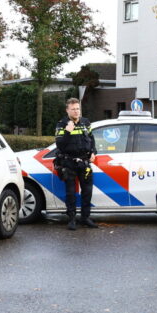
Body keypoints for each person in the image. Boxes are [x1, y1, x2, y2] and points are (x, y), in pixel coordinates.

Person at [55, 98, 97, 229]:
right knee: (71, 193)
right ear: (67, 110)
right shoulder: (62, 124)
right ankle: (72, 219)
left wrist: (93, 152)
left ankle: (85, 218)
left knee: (87, 191)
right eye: (73, 109)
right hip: (69, 163)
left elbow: (91, 139)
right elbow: (60, 145)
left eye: (77, 108)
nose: (76, 111)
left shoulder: (85, 122)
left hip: (84, 162)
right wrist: (68, 131)